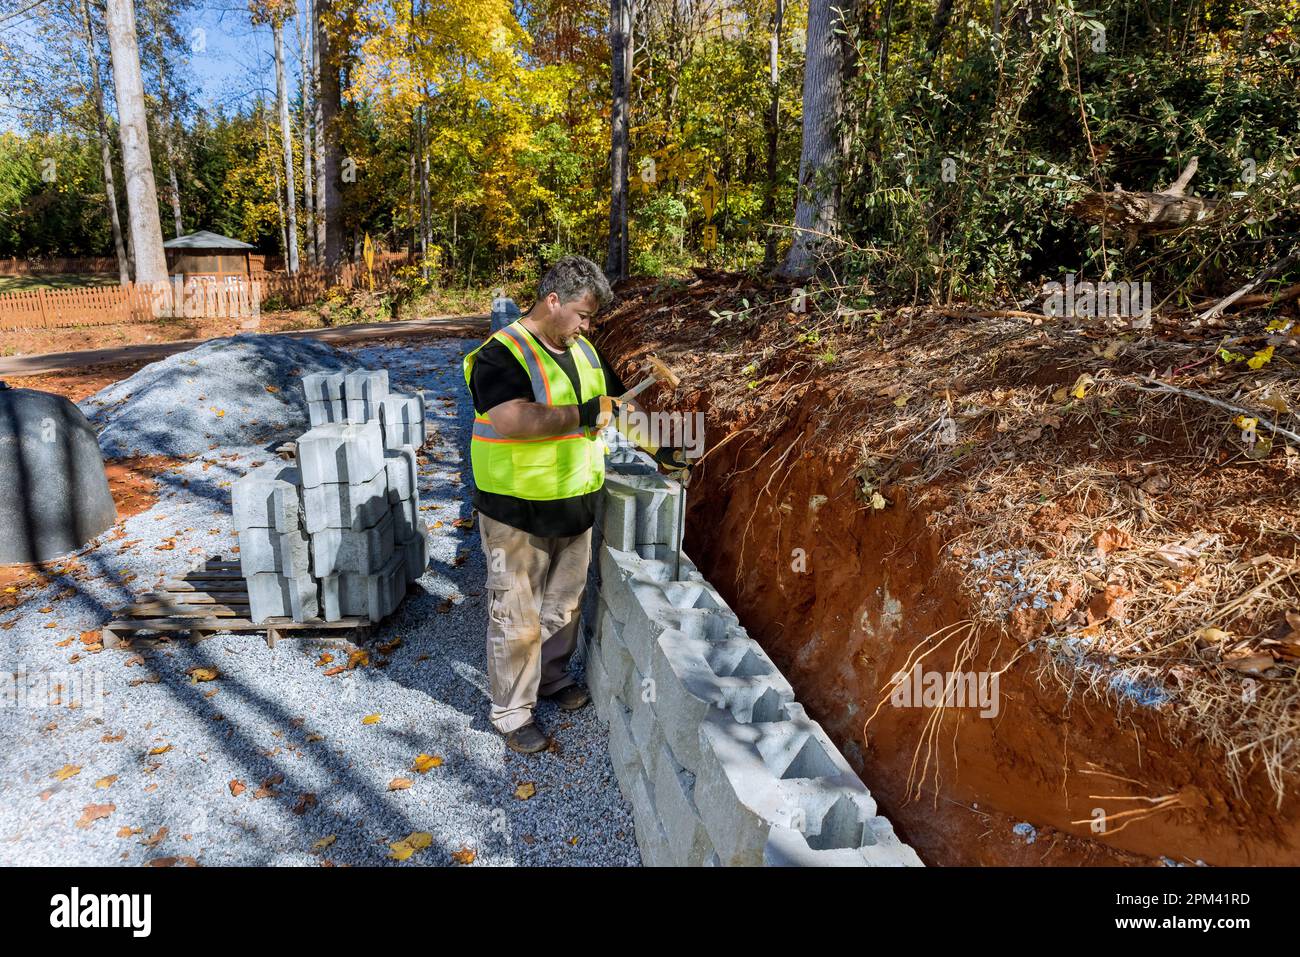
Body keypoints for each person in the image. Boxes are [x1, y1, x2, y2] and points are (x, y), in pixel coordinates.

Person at [463, 255, 689, 753]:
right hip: (514, 512)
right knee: (515, 614)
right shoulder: (501, 354)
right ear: (552, 300)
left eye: (590, 319)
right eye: (582, 315)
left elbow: (618, 408)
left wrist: (662, 447)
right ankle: (512, 711)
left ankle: (551, 678)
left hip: (574, 504)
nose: (587, 325)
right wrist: (584, 414)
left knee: (563, 606)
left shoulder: (585, 352)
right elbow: (512, 420)